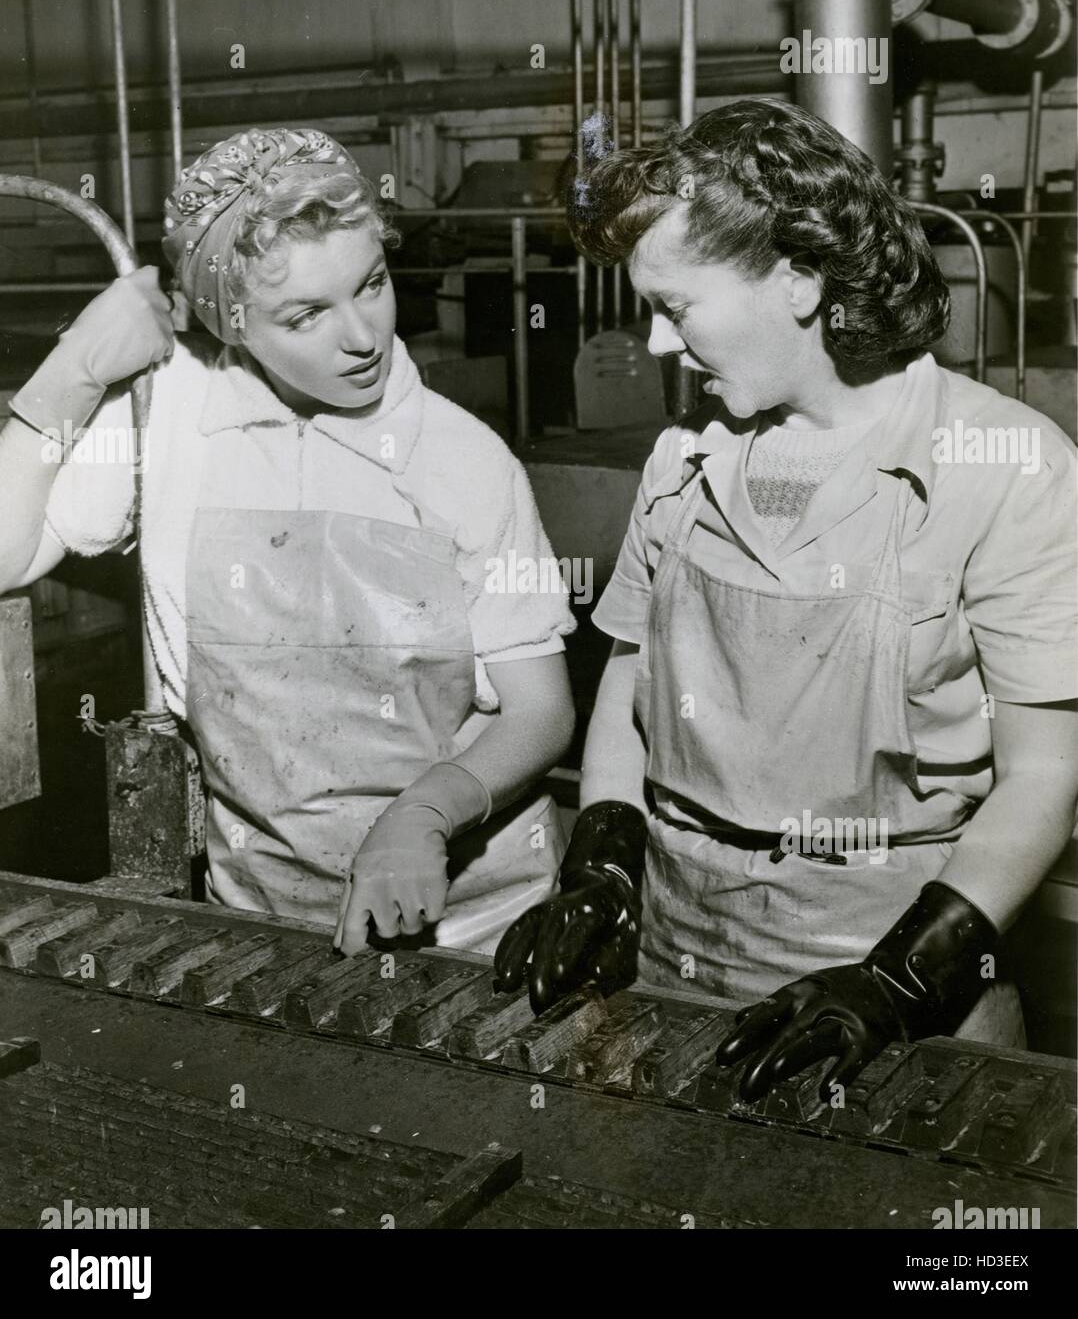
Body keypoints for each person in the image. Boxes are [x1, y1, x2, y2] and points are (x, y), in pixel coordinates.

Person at [495, 99, 1078, 1102]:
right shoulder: (683, 459)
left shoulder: (1007, 467)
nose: (660, 344)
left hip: (894, 977)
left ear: (798, 280)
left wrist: (895, 980)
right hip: (675, 963)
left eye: (677, 306)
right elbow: (626, 696)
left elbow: (1041, 783)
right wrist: (601, 861)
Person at [0, 127, 576, 956]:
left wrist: (428, 813)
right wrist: (75, 370)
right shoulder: (168, 418)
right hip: (260, 916)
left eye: (370, 285)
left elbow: (541, 710)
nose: (362, 334)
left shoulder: (464, 461)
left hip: (473, 926)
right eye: (306, 313)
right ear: (225, 322)